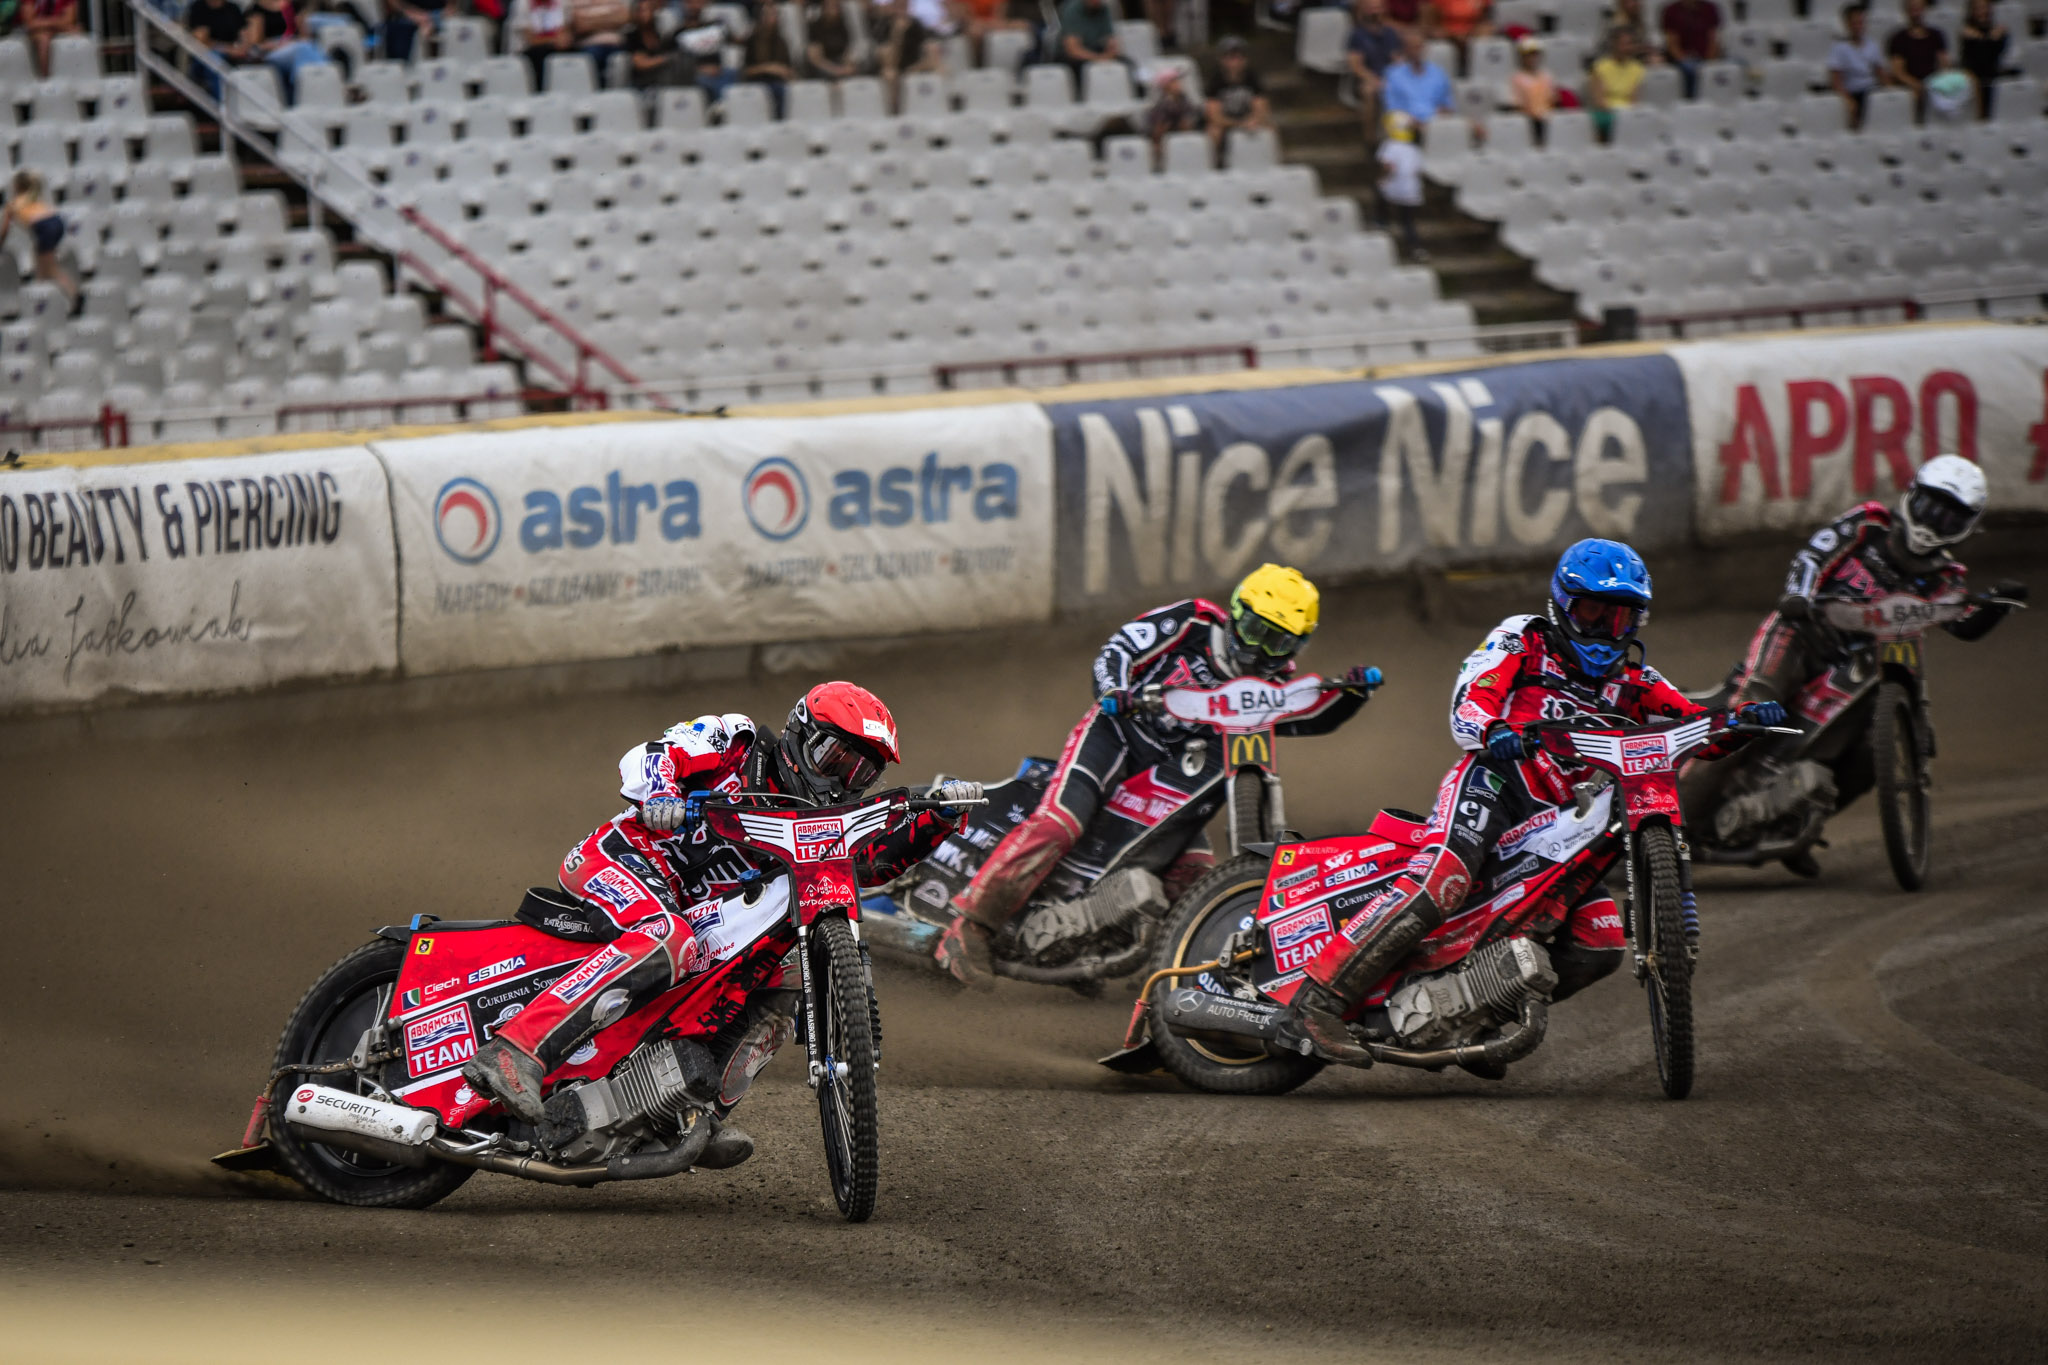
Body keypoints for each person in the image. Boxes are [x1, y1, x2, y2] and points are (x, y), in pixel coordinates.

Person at [1264, 540, 1779, 1064]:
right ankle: (1315, 1003)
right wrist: (1492, 730)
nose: (1603, 631)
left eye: (1618, 618)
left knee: (1600, 944)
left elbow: (1695, 722)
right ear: (1561, 605)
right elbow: (1472, 697)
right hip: (1496, 784)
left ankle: (1474, 1016)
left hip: (1560, 823)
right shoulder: (1523, 640)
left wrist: (1743, 722)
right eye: (1592, 612)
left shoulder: (1636, 681)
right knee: (1446, 877)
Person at [464, 683, 964, 1140]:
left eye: (859, 774)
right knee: (667, 936)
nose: (840, 781)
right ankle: (516, 1050)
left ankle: (688, 1116)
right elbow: (651, 755)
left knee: (784, 974)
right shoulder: (735, 740)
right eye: (832, 758)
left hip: (694, 912)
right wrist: (661, 792)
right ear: (799, 733)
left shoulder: (822, 821)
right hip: (625, 856)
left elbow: (867, 866)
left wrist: (938, 821)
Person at [933, 564, 1384, 987]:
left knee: (1194, 874)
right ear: (1236, 614)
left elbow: (1304, 721)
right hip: (1117, 737)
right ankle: (971, 925)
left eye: (1280, 642)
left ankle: (1119, 960)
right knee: (1061, 823)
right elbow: (1120, 648)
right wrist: (1115, 691)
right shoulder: (1191, 622)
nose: (1263, 650)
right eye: (1256, 632)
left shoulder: (1271, 684)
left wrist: (1350, 696)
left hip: (1173, 773)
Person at [1717, 456, 2023, 872]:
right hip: (1804, 634)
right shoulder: (1867, 524)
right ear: (1911, 496)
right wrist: (1799, 595)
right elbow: (1812, 556)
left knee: (1866, 756)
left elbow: (1963, 623)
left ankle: (1791, 824)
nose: (1934, 524)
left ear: (1967, 527)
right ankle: (1676, 810)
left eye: (1950, 519)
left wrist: (1996, 605)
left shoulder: (1945, 578)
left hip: (1860, 665)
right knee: (1754, 707)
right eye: (1931, 509)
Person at [0, 169, 73, 304]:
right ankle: (41, 299)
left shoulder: (13, 204)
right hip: (56, 222)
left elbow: (4, 230)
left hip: (45, 228)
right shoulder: (34, 198)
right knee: (41, 266)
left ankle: (75, 296)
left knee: (51, 270)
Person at [244, 0, 332, 103]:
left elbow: (305, 36)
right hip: (272, 50)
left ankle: (320, 80)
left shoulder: (293, 5)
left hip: (294, 43)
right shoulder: (257, 9)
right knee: (302, 49)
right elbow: (256, 44)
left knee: (307, 47)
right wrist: (280, 44)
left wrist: (292, 41)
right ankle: (316, 82)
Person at [1346, 0, 1403, 144]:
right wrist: (1373, 79)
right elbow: (1356, 65)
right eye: (1371, 8)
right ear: (1363, 10)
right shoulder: (1357, 35)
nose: (1374, 11)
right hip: (1367, 78)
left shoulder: (1390, 33)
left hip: (1389, 77)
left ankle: (1398, 136)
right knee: (1370, 92)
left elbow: (1397, 60)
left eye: (1377, 7)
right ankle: (1370, 138)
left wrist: (1393, 78)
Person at [1205, 36, 1269, 160]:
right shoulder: (1215, 81)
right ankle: (1214, 162)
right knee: (1214, 131)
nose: (1236, 61)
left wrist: (1255, 119)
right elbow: (1214, 115)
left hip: (1248, 118)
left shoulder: (1253, 78)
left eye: (1240, 56)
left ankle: (1269, 161)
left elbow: (1261, 106)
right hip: (1227, 121)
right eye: (1231, 57)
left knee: (1270, 129)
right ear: (1222, 59)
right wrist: (1240, 124)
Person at [1828, 3, 1887, 131]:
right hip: (1852, 91)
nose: (1858, 26)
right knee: (1852, 107)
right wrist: (1847, 99)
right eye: (1854, 23)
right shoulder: (1838, 48)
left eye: (1860, 22)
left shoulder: (1873, 45)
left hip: (1871, 91)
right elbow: (1836, 80)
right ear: (1847, 24)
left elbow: (1880, 73)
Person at [1382, 26, 1455, 129]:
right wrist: (1414, 123)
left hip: (1436, 126)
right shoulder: (1393, 74)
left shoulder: (1438, 73)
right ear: (1405, 49)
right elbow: (1392, 110)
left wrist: (1444, 112)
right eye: (1413, 47)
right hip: (1406, 128)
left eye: (1420, 47)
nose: (1417, 51)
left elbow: (1448, 105)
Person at [1377, 109, 1426, 260]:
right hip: (1413, 191)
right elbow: (1418, 171)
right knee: (1408, 222)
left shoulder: (1390, 146)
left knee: (1378, 189)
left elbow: (1388, 167)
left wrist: (1383, 179)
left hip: (1396, 188)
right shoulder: (1414, 149)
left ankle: (1381, 221)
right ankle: (1417, 249)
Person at [1886, 0, 1946, 117]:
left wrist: (1935, 83)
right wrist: (1916, 84)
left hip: (1933, 82)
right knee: (1914, 94)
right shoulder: (1898, 38)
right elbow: (1898, 72)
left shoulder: (1936, 35)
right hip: (1911, 84)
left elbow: (1943, 63)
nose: (1915, 12)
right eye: (1912, 8)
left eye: (1918, 8)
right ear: (1906, 11)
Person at [1588, 25, 1646, 141]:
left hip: (1628, 111)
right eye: (1624, 44)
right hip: (1606, 111)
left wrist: (1626, 112)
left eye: (1630, 44)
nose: (1628, 47)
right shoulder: (1600, 67)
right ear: (1615, 45)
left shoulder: (1639, 69)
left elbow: (1634, 99)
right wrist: (1616, 112)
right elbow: (1599, 100)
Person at [742, 0, 797, 115]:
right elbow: (746, 71)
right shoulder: (752, 40)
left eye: (775, 15)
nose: (774, 18)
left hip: (779, 81)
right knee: (776, 90)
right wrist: (769, 67)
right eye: (770, 15)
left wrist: (787, 72)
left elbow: (788, 67)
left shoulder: (781, 41)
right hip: (758, 80)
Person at [184, 0, 248, 100]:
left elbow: (244, 35)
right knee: (214, 59)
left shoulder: (233, 8)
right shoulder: (199, 7)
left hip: (231, 54)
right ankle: (221, 107)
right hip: (205, 57)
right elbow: (201, 42)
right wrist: (228, 49)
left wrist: (242, 48)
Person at [1658, 0, 1721, 99]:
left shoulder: (1710, 8)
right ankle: (1690, 102)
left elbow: (1713, 40)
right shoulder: (1672, 10)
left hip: (1705, 58)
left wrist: (1708, 62)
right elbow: (1672, 44)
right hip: (1681, 59)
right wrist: (1684, 60)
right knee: (1689, 70)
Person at [1959, 0, 2007, 119]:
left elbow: (1993, 55)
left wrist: (1982, 39)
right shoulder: (1966, 32)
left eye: (1984, 8)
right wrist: (1988, 39)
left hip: (1992, 74)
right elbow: (1973, 58)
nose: (1982, 12)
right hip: (1973, 76)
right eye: (1978, 8)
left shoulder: (1999, 32)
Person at [1144, 64, 1201, 164]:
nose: (1179, 83)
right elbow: (1157, 131)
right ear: (1166, 85)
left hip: (1183, 137)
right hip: (1165, 139)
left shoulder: (1184, 100)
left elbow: (1191, 118)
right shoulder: (1160, 104)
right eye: (1174, 81)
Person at [621, 0, 681, 89]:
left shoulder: (661, 35)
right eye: (640, 10)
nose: (644, 14)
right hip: (642, 83)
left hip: (665, 81)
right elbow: (640, 64)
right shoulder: (632, 36)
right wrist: (665, 59)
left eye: (647, 10)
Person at [515, 0, 574, 90]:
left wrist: (563, 39)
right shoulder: (522, 4)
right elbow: (530, 39)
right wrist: (553, 40)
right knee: (539, 54)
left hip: (557, 47)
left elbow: (566, 30)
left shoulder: (562, 2)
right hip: (531, 49)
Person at [1507, 34, 1555, 144]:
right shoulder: (1516, 78)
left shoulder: (1547, 76)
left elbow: (1552, 100)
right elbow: (1517, 105)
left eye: (1535, 54)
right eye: (1528, 55)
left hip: (1547, 118)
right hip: (1529, 121)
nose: (1532, 58)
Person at [1058, 0, 1122, 80]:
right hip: (1071, 57)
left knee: (1126, 64)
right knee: (1082, 69)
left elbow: (1111, 40)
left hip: (1094, 50)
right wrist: (1100, 58)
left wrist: (1110, 53)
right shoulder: (1071, 10)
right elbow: (1073, 50)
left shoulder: (1103, 9)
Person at [21, 0, 81, 79]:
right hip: (38, 32)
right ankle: (45, 79)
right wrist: (59, 23)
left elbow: (69, 20)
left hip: (57, 31)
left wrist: (43, 23)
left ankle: (73, 79)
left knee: (78, 37)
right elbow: (29, 23)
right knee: (44, 39)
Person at [807, 0, 861, 80]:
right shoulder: (815, 27)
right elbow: (815, 58)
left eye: (836, 6)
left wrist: (848, 66)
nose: (834, 9)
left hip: (840, 63)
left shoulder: (843, 25)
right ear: (824, 8)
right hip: (824, 66)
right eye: (831, 6)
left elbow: (848, 51)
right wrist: (836, 70)